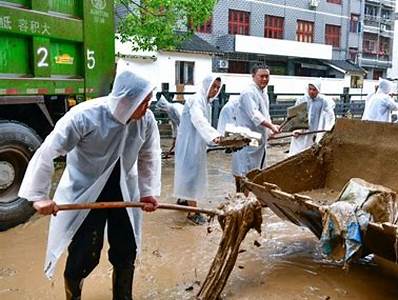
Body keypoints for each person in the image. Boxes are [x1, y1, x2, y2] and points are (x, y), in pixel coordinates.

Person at [18, 71, 161, 300]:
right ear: (126, 100)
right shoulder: (85, 116)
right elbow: (47, 151)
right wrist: (39, 196)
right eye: (143, 102)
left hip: (124, 193)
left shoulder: (146, 120)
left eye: (148, 102)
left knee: (126, 251)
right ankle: (73, 295)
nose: (146, 108)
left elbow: (149, 156)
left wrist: (147, 193)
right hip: (86, 192)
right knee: (84, 254)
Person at [173, 75, 223, 225]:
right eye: (213, 86)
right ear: (206, 85)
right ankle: (193, 212)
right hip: (189, 144)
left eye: (217, 88)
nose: (215, 90)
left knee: (188, 172)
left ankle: (183, 199)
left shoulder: (206, 102)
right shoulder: (196, 100)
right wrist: (214, 135)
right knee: (192, 175)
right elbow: (199, 120)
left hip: (195, 143)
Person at [232, 64, 281, 191]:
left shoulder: (263, 93)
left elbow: (266, 114)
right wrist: (270, 125)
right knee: (245, 169)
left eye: (267, 76)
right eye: (261, 76)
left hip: (259, 138)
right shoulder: (248, 92)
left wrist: (270, 130)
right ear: (253, 76)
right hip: (248, 137)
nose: (264, 79)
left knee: (258, 169)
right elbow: (255, 114)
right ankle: (243, 198)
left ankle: (254, 197)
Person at [288, 81, 335, 156]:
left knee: (312, 149)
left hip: (315, 131)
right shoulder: (302, 100)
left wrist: (327, 128)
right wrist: (297, 129)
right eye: (310, 89)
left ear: (318, 90)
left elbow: (329, 116)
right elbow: (296, 116)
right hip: (302, 132)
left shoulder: (323, 101)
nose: (311, 92)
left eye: (314, 90)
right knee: (298, 150)